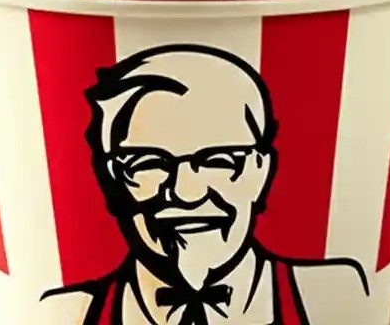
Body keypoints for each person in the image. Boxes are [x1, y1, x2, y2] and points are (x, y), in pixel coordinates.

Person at [43, 44, 368, 325]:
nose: (187, 192)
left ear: (261, 171)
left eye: (219, 161)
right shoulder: (67, 310)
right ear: (112, 180)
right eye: (149, 164)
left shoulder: (328, 292)